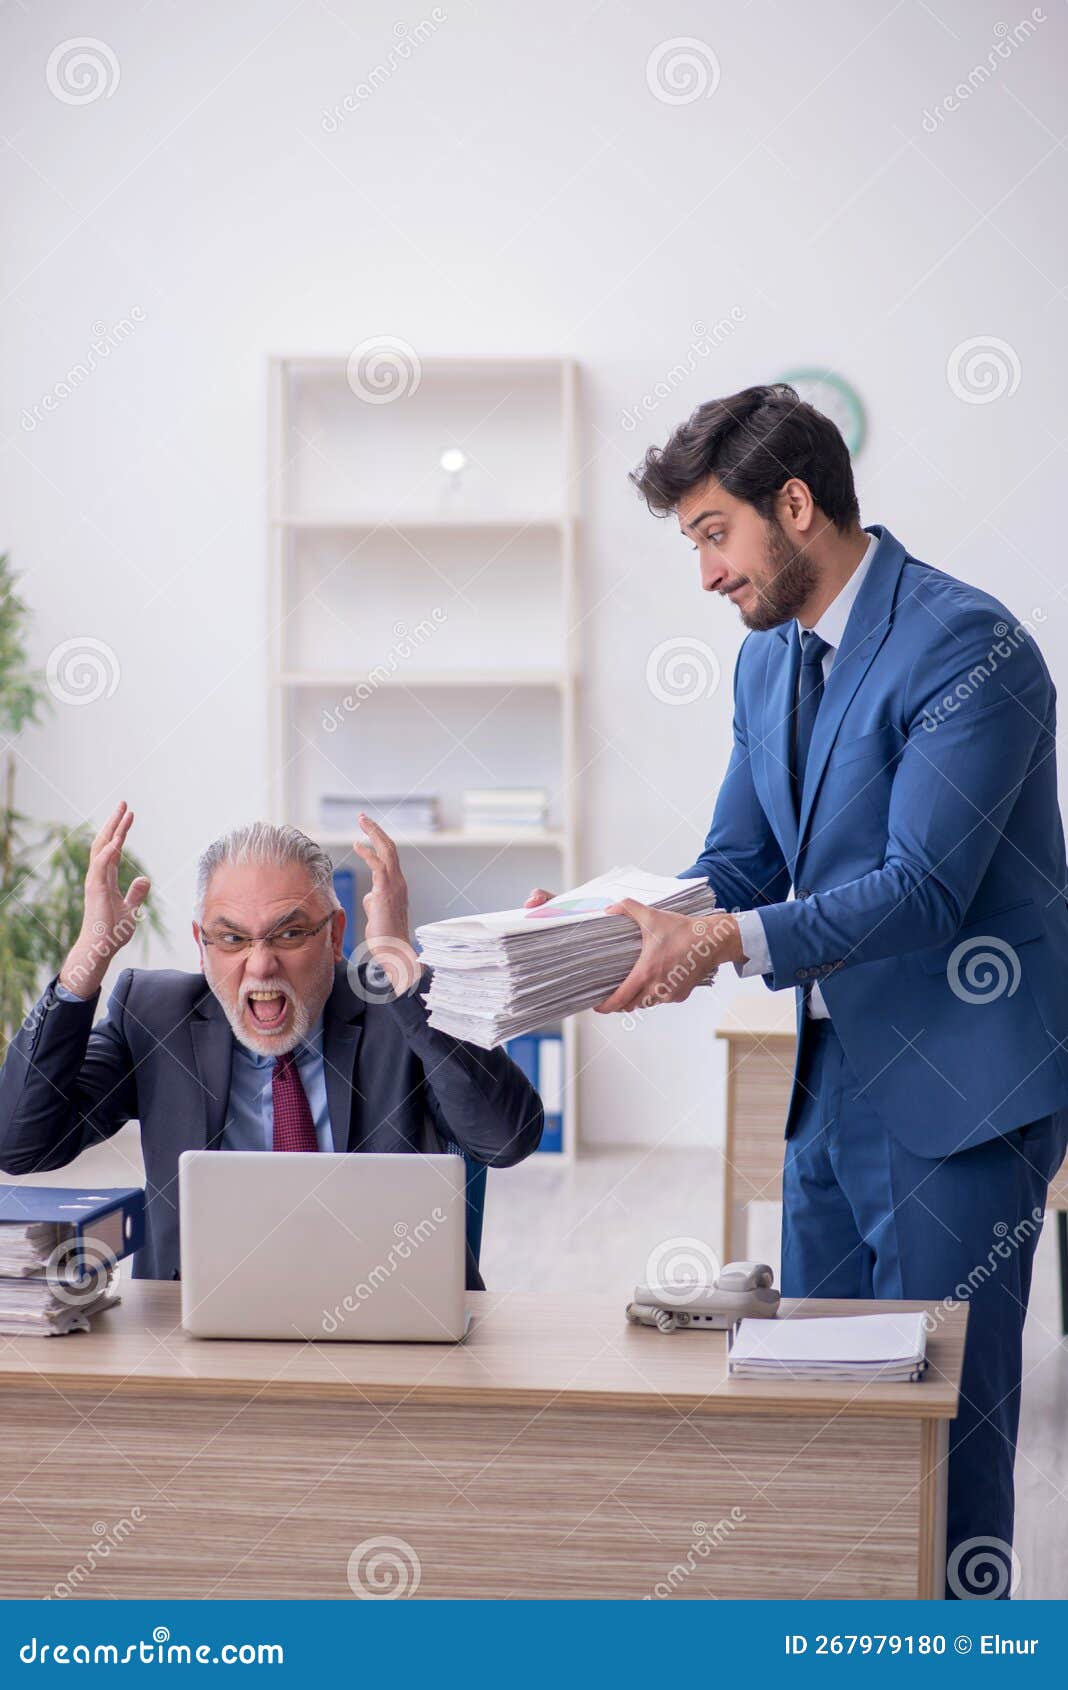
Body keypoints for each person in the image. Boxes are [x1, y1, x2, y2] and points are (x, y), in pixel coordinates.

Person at [529, 383, 1068, 1597]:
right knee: (830, 1418)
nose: (708, 574)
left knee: (948, 1434)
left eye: (715, 533)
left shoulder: (969, 645)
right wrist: (597, 928)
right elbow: (741, 864)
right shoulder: (769, 662)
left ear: (795, 504)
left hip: (961, 1098)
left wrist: (719, 942)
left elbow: (925, 887)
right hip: (829, 1094)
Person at [0, 805, 543, 1288]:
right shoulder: (152, 1015)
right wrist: (85, 965)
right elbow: (21, 1146)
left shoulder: (394, 1011)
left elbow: (507, 1139)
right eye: (232, 938)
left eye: (288, 934)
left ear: (335, 937)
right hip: (201, 1326)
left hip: (386, 1312)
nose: (260, 964)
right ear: (202, 945)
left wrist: (399, 964)